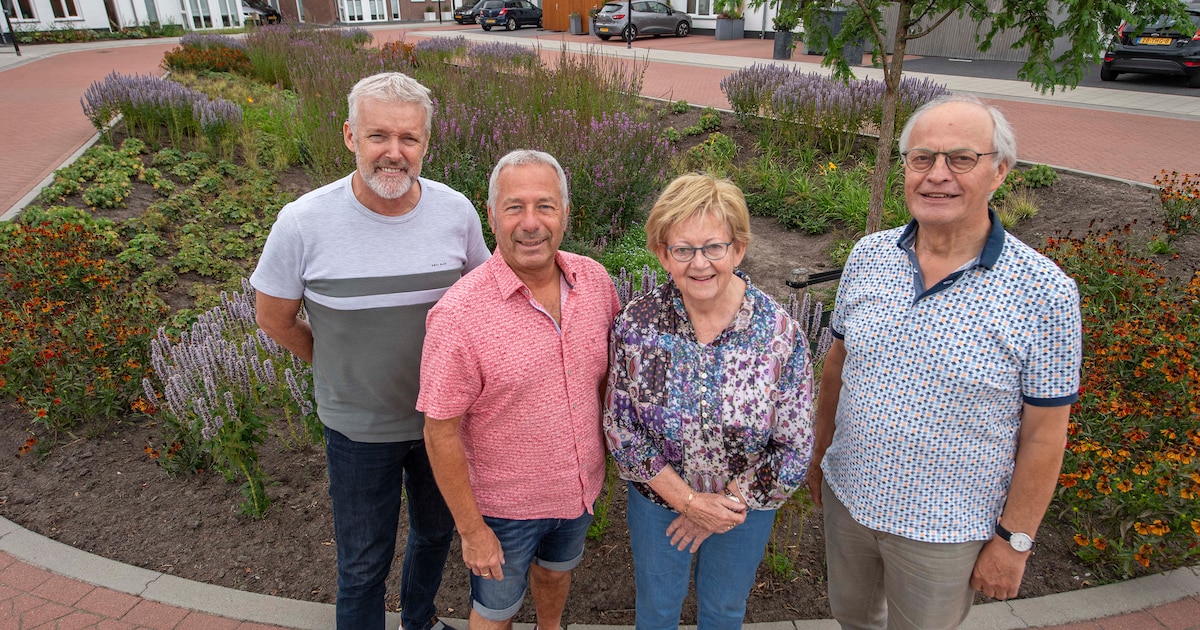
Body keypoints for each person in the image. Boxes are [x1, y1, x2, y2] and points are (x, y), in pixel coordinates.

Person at [805, 94, 1083, 630]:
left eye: (960, 158)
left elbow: (1046, 434)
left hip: (945, 529)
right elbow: (837, 368)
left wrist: (1014, 541)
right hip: (850, 499)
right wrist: (818, 456)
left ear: (999, 170)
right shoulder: (870, 256)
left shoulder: (1044, 291)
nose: (937, 175)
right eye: (921, 158)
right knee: (852, 618)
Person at [250, 72, 491, 630]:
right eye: (378, 135)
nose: (394, 152)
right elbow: (274, 318)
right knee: (362, 563)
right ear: (349, 136)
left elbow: (484, 303)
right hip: (358, 429)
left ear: (427, 143)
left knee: (435, 536)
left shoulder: (456, 212)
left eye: (409, 138)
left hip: (443, 424)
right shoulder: (303, 222)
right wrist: (337, 367)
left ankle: (420, 621)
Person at [417, 149, 621, 630]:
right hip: (503, 512)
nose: (531, 223)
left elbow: (613, 380)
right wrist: (471, 531)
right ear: (491, 215)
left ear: (566, 214)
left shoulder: (594, 282)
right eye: (515, 207)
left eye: (545, 206)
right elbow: (439, 432)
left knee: (555, 576)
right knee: (496, 612)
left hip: (578, 493)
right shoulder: (459, 316)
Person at [603, 173, 815, 630]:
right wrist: (687, 502)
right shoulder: (638, 325)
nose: (699, 263)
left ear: (737, 249)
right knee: (657, 611)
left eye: (714, 247)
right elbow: (621, 426)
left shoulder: (779, 335)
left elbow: (794, 447)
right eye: (682, 249)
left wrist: (718, 507)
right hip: (658, 501)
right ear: (663, 254)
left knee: (723, 611)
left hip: (745, 510)